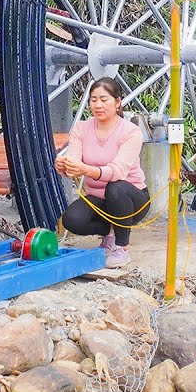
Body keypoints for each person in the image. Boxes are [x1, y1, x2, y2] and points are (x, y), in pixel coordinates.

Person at [55, 77, 148, 268]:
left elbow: (118, 171)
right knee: (71, 220)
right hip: (98, 198)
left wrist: (85, 170)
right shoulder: (81, 128)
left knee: (115, 188)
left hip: (131, 200)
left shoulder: (131, 132)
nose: (98, 105)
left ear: (117, 102)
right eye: (93, 99)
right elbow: (74, 159)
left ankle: (122, 247)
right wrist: (64, 166)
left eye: (104, 100)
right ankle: (109, 235)